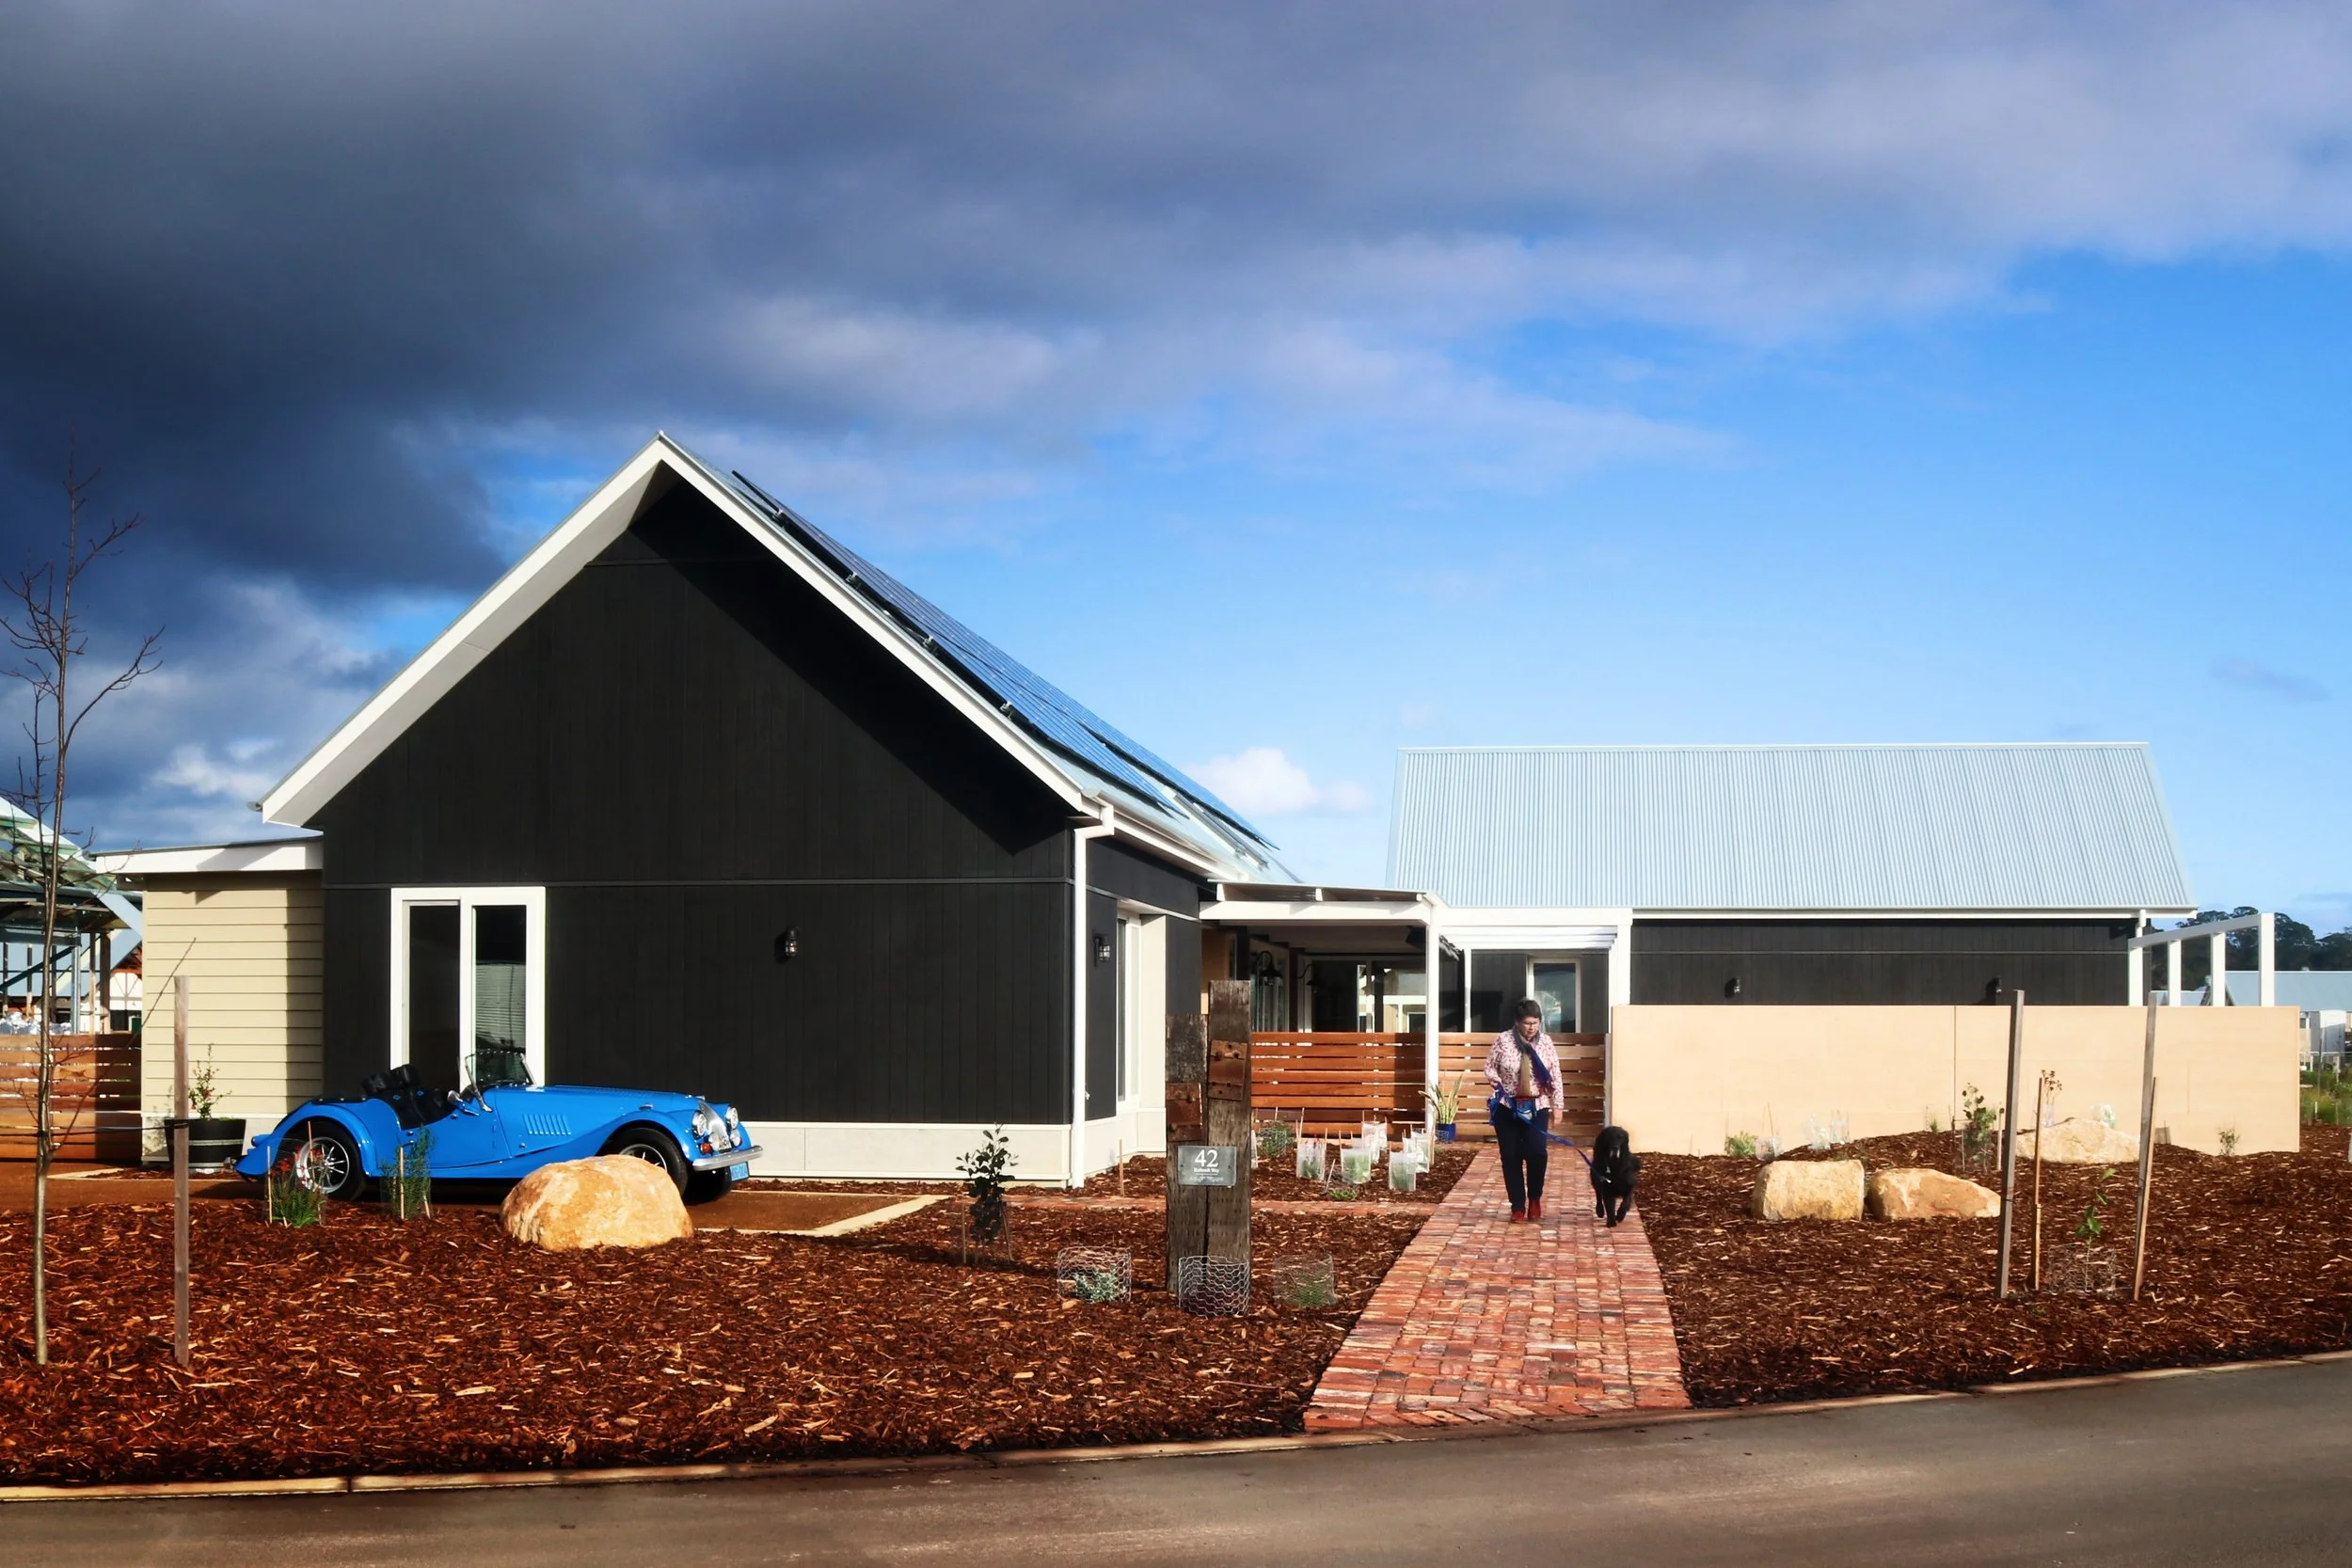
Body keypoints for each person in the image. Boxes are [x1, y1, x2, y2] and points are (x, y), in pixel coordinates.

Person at [1486, 998, 1563, 1223]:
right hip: (1508, 1106)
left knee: (1537, 1152)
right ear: (1518, 1022)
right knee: (1510, 1156)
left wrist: (1558, 1105)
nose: (1531, 1028)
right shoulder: (1503, 1040)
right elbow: (1489, 1067)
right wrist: (1496, 1082)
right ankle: (1517, 1206)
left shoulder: (1546, 1043)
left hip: (1537, 1105)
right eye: (1527, 1023)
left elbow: (1555, 1074)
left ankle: (1535, 1198)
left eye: (1535, 1023)